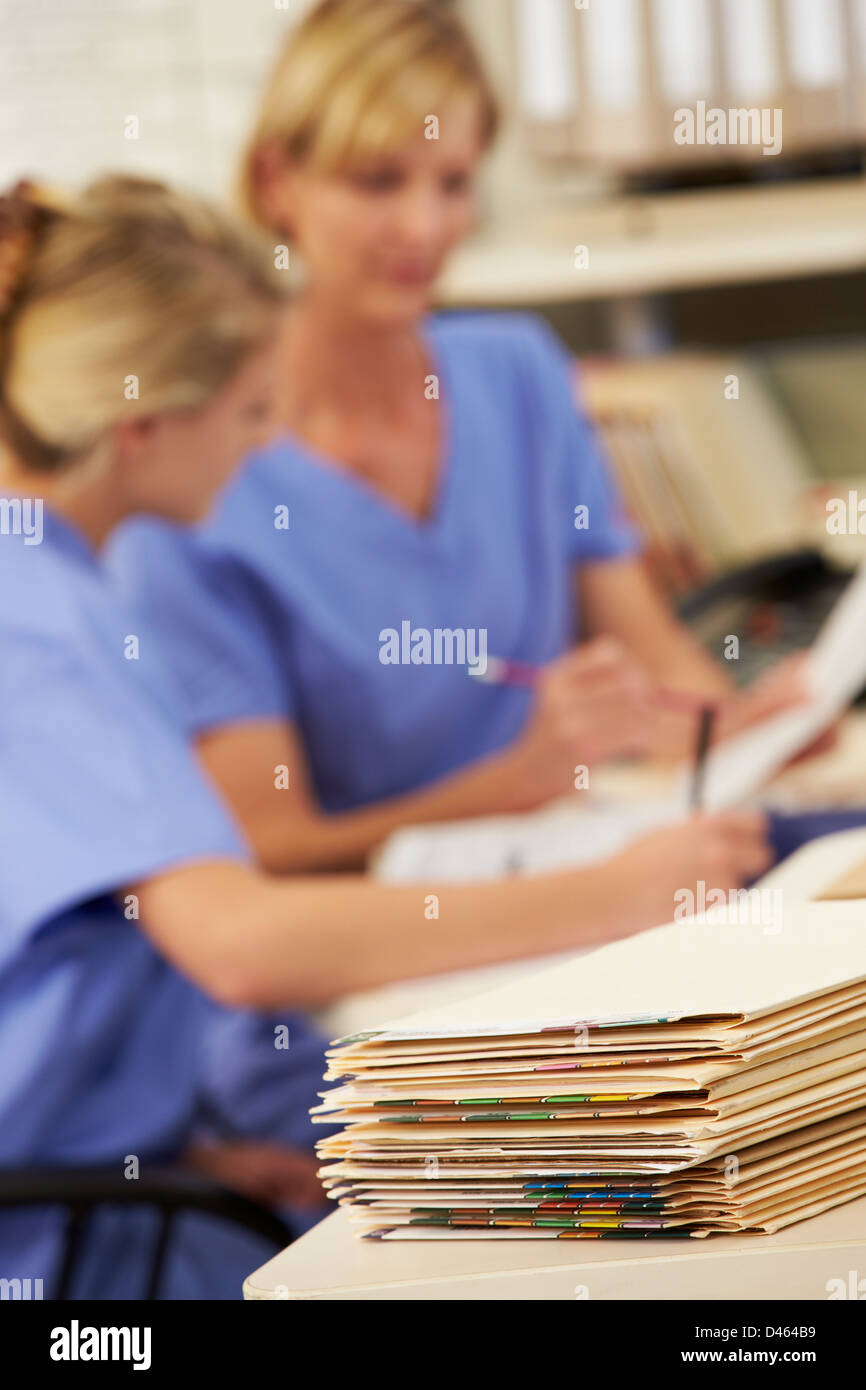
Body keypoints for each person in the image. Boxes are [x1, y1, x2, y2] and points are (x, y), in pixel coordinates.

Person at [0, 176, 769, 1299]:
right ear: (142, 426)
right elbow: (241, 941)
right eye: (251, 413)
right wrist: (617, 891)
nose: (267, 448)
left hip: (118, 1181)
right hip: (69, 1258)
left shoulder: (49, 585)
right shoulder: (44, 629)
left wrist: (185, 1153)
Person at [109, 0, 811, 877]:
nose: (426, 227)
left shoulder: (515, 373)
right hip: (394, 948)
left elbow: (653, 660)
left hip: (586, 864)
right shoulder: (196, 478)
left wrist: (747, 732)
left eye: (453, 183)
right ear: (277, 180)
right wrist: (517, 783)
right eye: (378, 182)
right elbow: (269, 850)